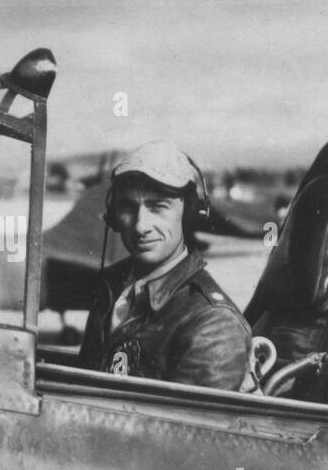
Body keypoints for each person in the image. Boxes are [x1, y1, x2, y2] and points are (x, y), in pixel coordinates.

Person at [79, 142, 252, 390]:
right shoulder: (112, 286)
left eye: (158, 207)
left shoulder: (212, 323)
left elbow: (189, 427)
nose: (141, 226)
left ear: (189, 212)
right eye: (127, 207)